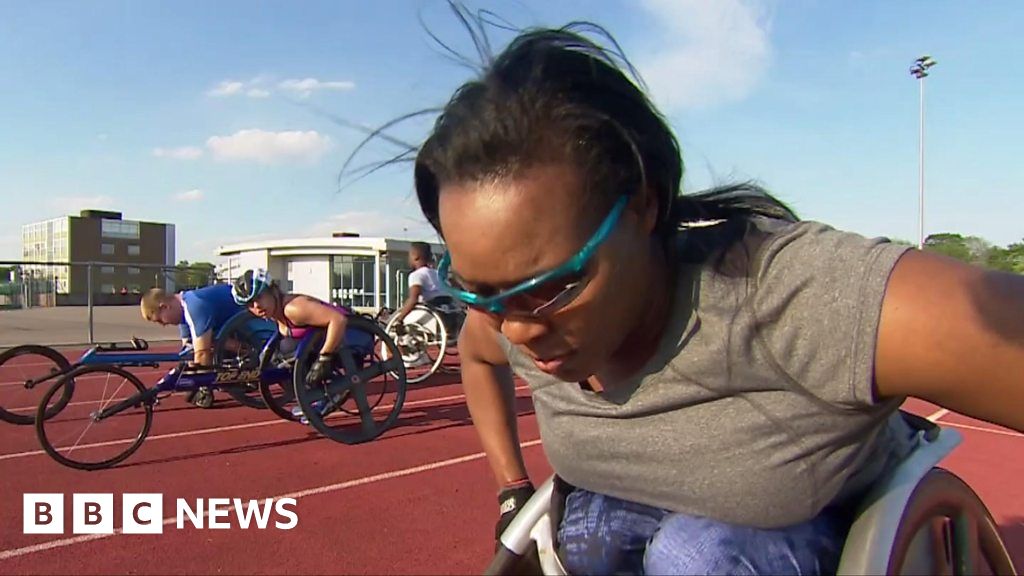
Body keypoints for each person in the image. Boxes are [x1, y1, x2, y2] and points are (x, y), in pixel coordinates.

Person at [379, 19, 1024, 576]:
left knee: (697, 555)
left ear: (644, 205)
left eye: (554, 288)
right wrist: (510, 489)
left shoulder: (786, 294)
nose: (515, 329)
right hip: (626, 517)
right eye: (480, 291)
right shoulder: (511, 316)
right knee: (583, 536)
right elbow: (478, 353)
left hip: (816, 522)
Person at [230, 268, 358, 423]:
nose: (256, 306)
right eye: (250, 304)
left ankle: (332, 392)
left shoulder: (293, 308)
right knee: (275, 358)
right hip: (320, 344)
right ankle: (315, 395)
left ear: (273, 290)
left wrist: (324, 358)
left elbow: (338, 320)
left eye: (259, 297)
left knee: (287, 352)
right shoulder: (275, 313)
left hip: (351, 337)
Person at [140, 283, 244, 407]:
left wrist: (200, 387)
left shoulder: (194, 306)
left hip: (249, 323)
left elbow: (201, 353)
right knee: (206, 342)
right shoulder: (183, 311)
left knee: (207, 343)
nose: (163, 325)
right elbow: (188, 352)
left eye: (160, 320)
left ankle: (245, 352)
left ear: (165, 307)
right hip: (232, 324)